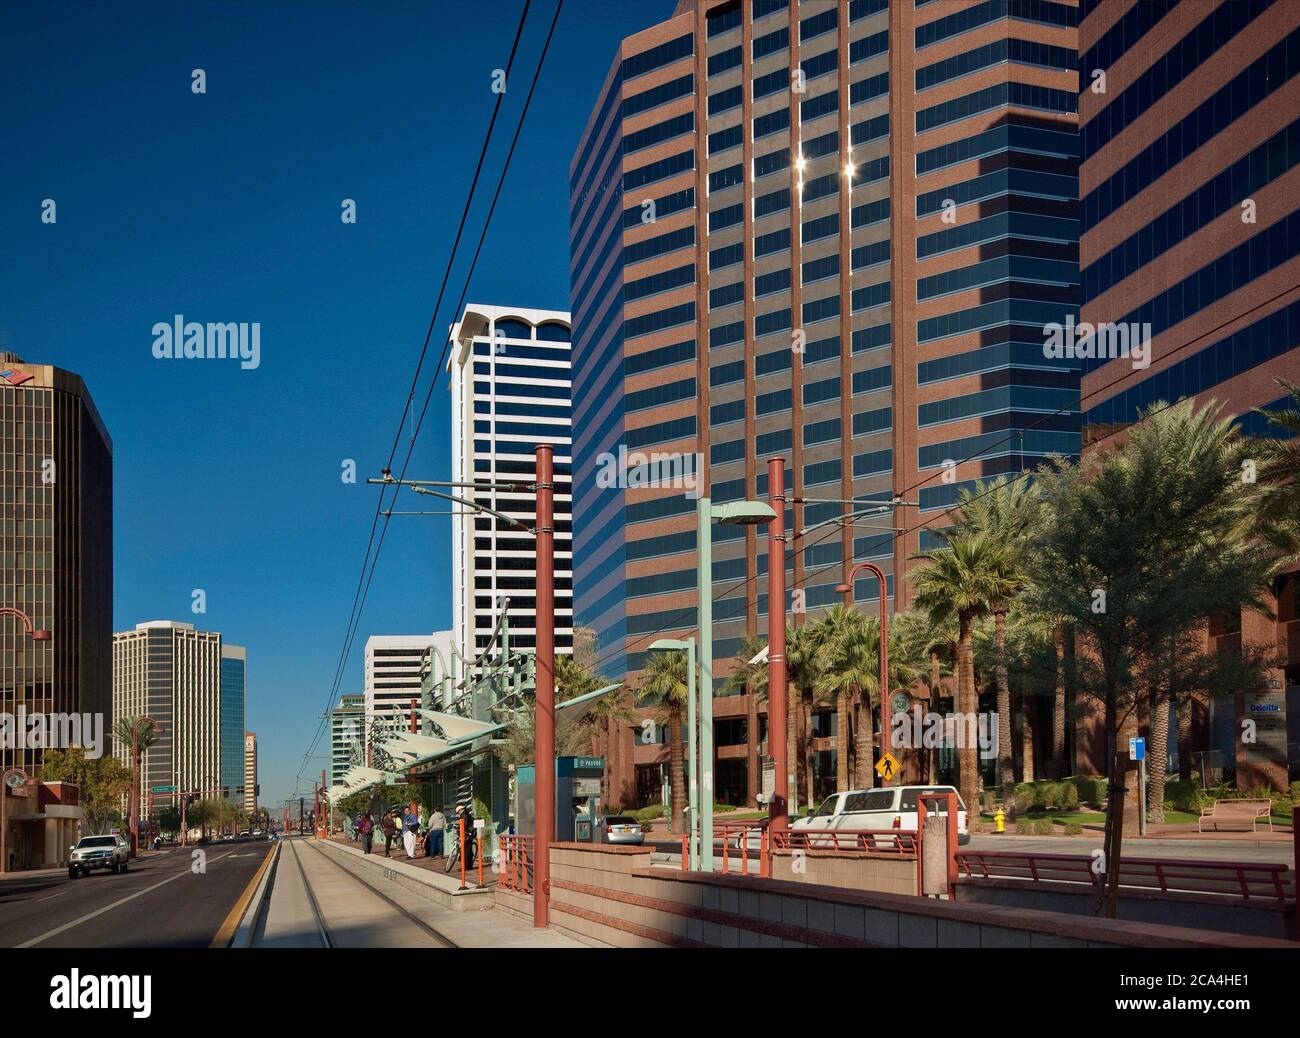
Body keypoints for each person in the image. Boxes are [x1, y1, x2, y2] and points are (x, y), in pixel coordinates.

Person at [456, 802, 476, 871]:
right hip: (469, 833)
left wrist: (460, 828)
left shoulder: (464, 815)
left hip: (467, 834)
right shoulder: (466, 813)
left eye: (458, 811)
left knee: (465, 851)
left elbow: (464, 824)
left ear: (461, 810)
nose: (458, 813)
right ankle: (469, 866)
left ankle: (465, 867)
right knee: (468, 850)